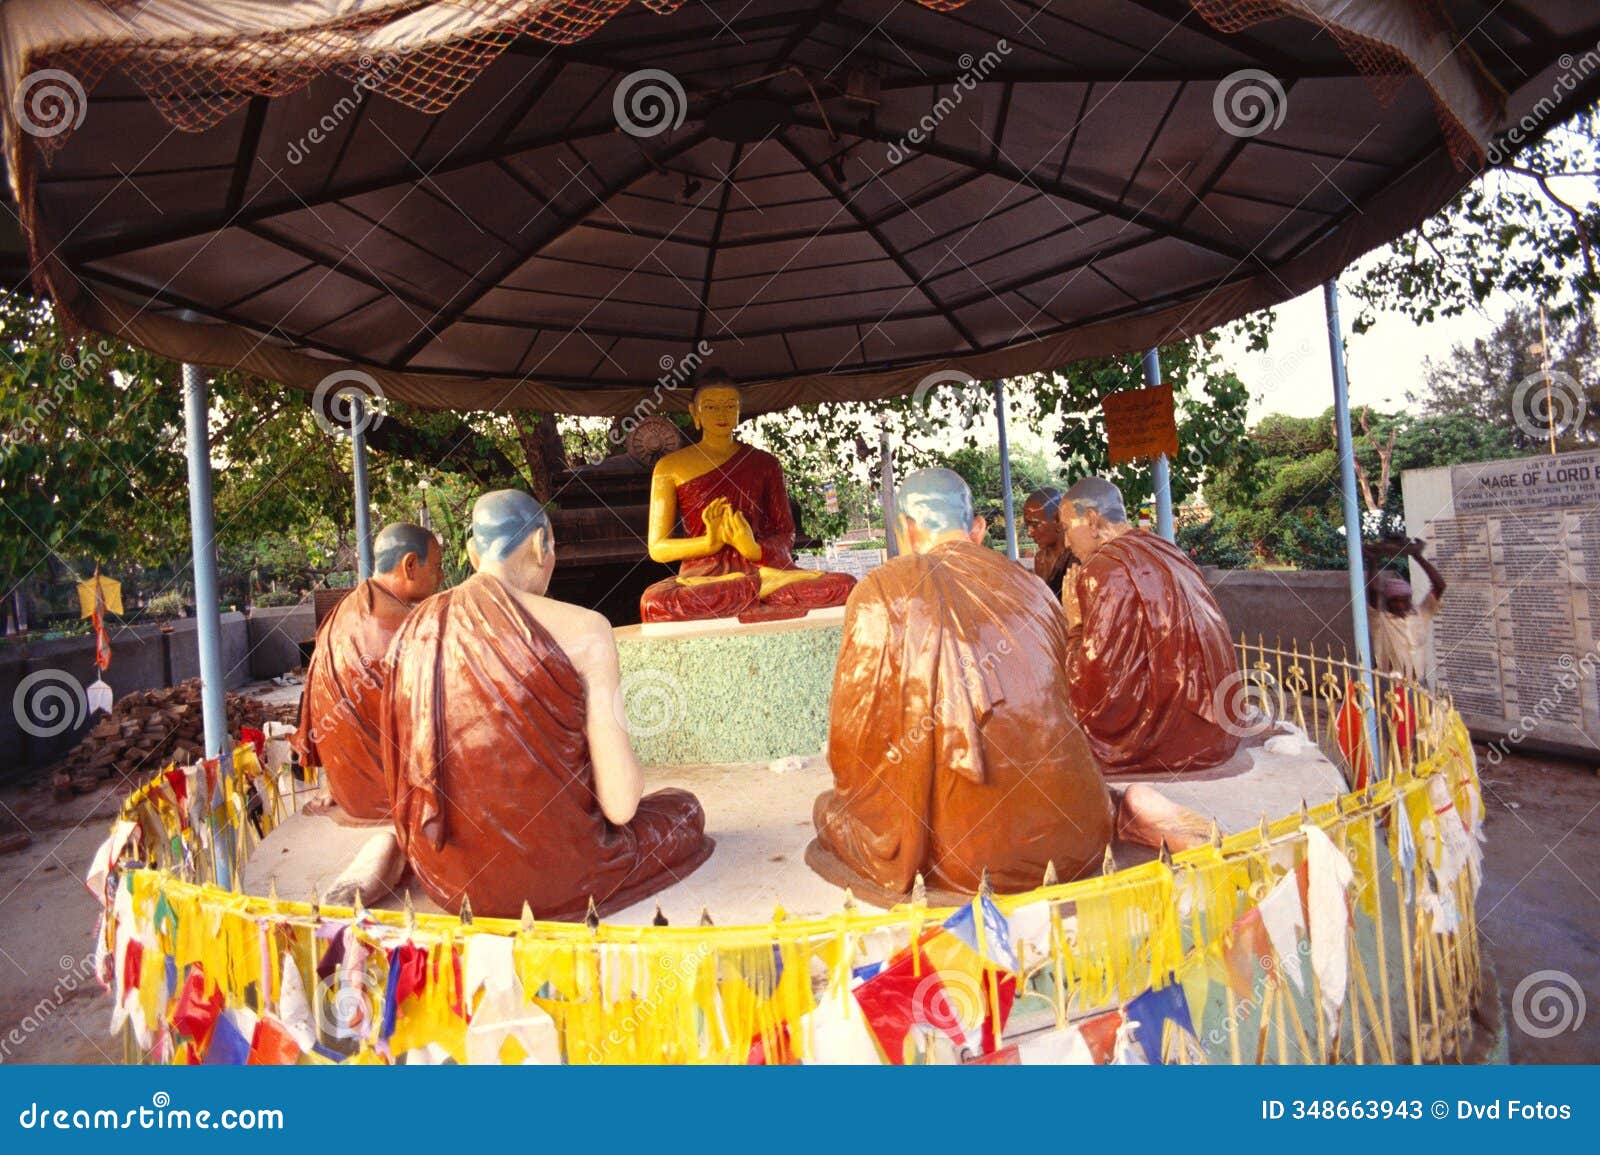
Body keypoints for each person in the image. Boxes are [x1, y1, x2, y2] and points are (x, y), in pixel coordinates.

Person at [809, 469, 1209, 903]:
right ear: (975, 528)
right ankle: (1120, 810)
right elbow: (1065, 697)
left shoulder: (881, 590)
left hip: (972, 859)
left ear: (905, 529)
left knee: (830, 812)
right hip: (1081, 834)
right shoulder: (1033, 587)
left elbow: (850, 744)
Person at [382, 490, 712, 919]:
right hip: (559, 878)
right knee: (683, 810)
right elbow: (621, 803)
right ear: (542, 544)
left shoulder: (414, 630)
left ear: (473, 554)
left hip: (447, 879)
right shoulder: (585, 628)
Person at [1059, 476, 1242, 774]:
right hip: (1219, 728)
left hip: (1172, 742)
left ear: (1092, 521)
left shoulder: (1102, 568)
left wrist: (1075, 625)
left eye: (1067, 529)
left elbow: (1097, 688)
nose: (1066, 542)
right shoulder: (1166, 549)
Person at [639, 371, 855, 622]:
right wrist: (708, 544)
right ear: (694, 413)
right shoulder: (669, 467)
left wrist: (752, 548)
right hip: (701, 578)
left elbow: (786, 533)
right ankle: (761, 585)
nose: (722, 414)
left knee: (844, 585)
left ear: (740, 410)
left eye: (730, 406)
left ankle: (756, 582)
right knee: (656, 602)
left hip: (762, 565)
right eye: (711, 407)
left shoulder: (764, 463)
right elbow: (657, 548)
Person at [292, 523, 442, 822]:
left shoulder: (343, 610)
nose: (441, 577)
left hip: (348, 793)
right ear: (410, 565)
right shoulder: (402, 625)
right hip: (392, 798)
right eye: (437, 567)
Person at [1364, 536, 1446, 684]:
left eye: (1403, 600)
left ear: (1410, 599)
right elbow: (1373, 591)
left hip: (1419, 682)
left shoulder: (1421, 613)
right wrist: (1373, 561)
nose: (1400, 605)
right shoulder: (1380, 621)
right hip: (1392, 686)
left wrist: (1417, 556)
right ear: (1387, 602)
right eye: (1394, 601)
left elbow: (1439, 585)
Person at [1022, 486, 1069, 593]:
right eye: (1027, 526)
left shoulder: (1076, 557)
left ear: (1058, 520)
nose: (1029, 533)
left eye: (1034, 525)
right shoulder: (1040, 559)